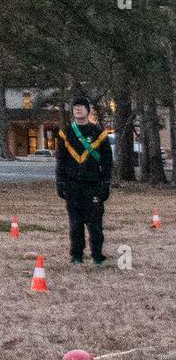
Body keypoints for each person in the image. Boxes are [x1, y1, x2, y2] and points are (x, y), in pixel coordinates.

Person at [56, 94, 112, 265]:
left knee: (95, 223)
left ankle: (97, 255)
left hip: (93, 185)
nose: (78, 109)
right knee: (75, 223)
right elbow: (61, 160)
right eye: (75, 107)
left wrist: (106, 183)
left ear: (88, 110)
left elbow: (107, 161)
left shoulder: (99, 133)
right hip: (73, 185)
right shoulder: (65, 133)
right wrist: (60, 182)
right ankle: (77, 255)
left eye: (81, 107)